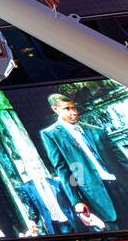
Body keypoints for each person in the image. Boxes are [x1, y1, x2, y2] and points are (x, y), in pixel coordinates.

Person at [39, 92, 128, 230]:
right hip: (95, 194)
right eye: (67, 109)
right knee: (117, 231)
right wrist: (76, 201)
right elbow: (63, 170)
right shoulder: (51, 134)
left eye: (73, 108)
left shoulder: (96, 130)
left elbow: (122, 160)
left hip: (121, 184)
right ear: (55, 109)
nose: (73, 112)